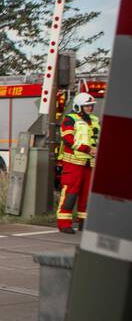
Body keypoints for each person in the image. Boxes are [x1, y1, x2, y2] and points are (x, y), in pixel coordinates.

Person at [57, 91, 100, 233]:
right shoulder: (69, 119)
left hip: (90, 163)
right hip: (73, 163)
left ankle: (84, 223)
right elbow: (68, 140)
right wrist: (87, 149)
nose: (90, 108)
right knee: (70, 193)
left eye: (91, 105)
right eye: (87, 106)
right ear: (78, 106)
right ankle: (64, 224)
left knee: (87, 195)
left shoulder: (95, 120)